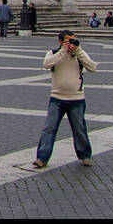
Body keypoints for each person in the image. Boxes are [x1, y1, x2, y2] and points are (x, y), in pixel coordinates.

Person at [32, 30, 97, 168]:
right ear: (60, 42)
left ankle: (85, 155)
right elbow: (47, 64)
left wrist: (78, 51)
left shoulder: (79, 53)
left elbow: (92, 67)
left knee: (79, 128)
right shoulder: (53, 53)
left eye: (73, 40)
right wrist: (63, 51)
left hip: (77, 98)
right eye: (68, 41)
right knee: (49, 128)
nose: (71, 43)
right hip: (57, 98)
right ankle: (42, 158)